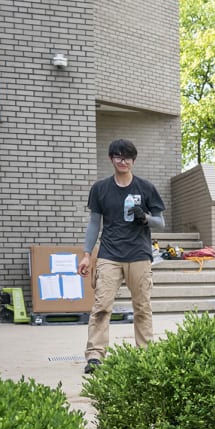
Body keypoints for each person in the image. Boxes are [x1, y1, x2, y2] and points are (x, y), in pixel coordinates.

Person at [79, 139, 165, 373]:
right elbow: (94, 223)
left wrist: (145, 217)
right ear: (111, 159)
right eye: (118, 156)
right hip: (109, 255)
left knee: (142, 307)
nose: (123, 161)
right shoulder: (100, 189)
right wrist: (87, 255)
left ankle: (145, 355)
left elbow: (161, 222)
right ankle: (95, 356)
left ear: (133, 160)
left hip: (139, 254)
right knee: (101, 306)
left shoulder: (146, 188)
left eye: (127, 157)